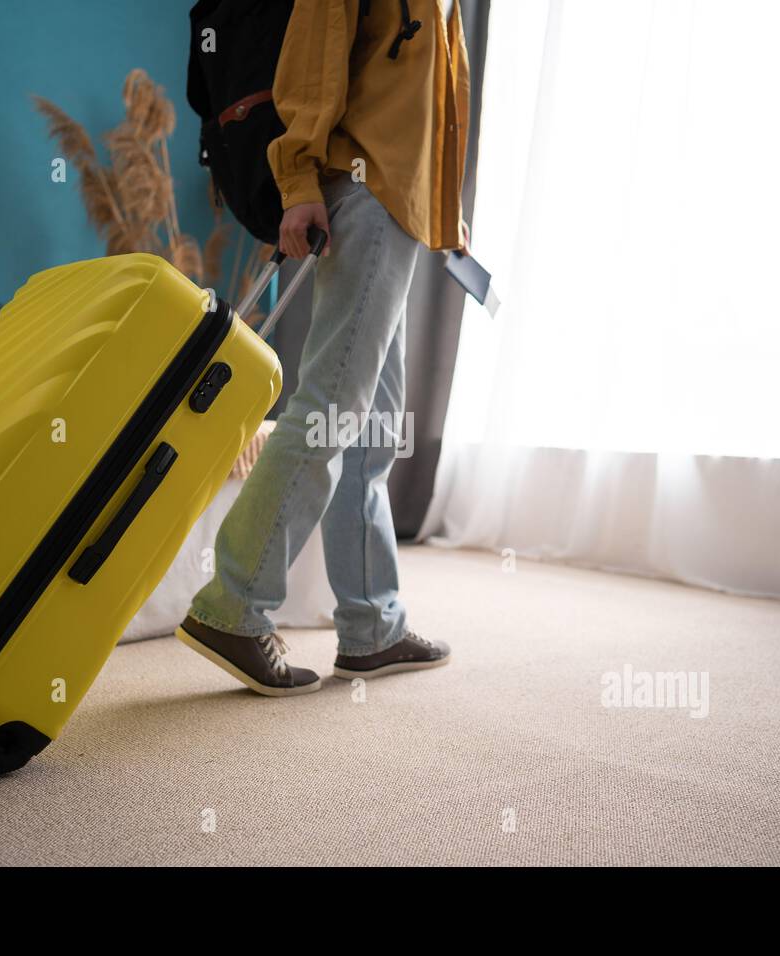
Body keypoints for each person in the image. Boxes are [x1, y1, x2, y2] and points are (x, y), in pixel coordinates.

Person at [176, 0, 472, 695]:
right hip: (364, 191)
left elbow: (432, 106)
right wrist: (299, 180)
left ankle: (373, 626)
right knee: (332, 407)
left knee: (369, 429)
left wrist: (447, 216)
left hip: (402, 206)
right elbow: (312, 62)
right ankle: (234, 607)